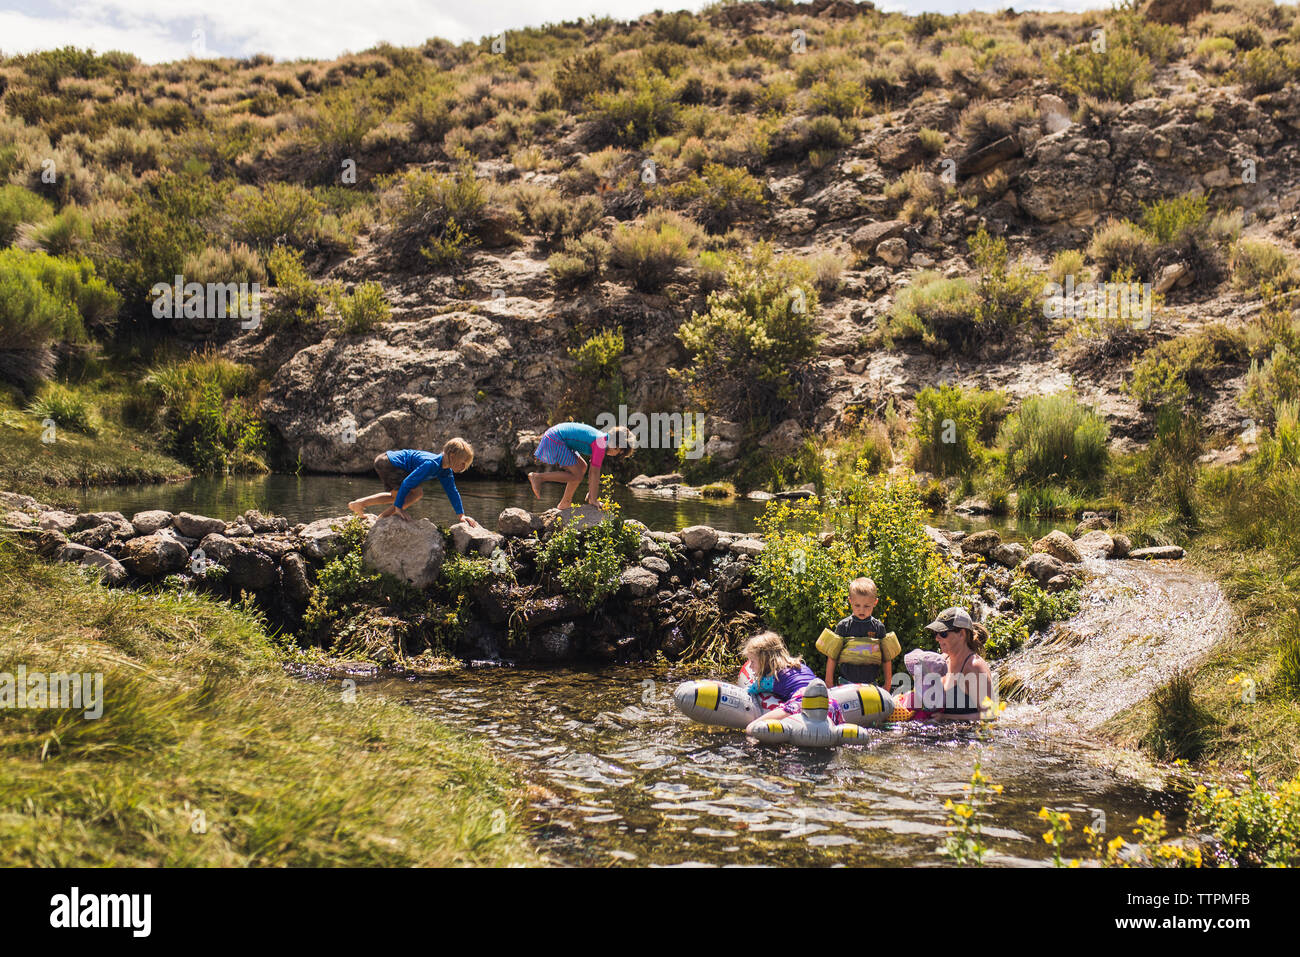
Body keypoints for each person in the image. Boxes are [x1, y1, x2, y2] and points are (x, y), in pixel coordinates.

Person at [347, 438, 479, 526]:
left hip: (386, 460)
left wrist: (461, 515)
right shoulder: (431, 464)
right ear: (452, 456)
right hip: (389, 463)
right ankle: (381, 519)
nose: (463, 468)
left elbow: (452, 491)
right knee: (416, 493)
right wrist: (398, 507)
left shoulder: (445, 471)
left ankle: (359, 504)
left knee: (395, 496)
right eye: (463, 463)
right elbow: (407, 483)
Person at [742, 630, 844, 724]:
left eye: (753, 661)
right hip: (830, 703)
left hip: (803, 703)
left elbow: (751, 689)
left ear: (764, 660)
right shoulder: (801, 666)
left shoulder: (772, 678)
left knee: (754, 727)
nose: (750, 666)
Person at [527, 422, 636, 509]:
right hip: (555, 438)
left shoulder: (602, 439)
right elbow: (594, 472)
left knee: (582, 467)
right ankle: (539, 477)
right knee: (577, 475)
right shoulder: (601, 444)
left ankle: (565, 503)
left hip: (556, 436)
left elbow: (592, 471)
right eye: (620, 452)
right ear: (616, 446)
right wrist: (593, 499)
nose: (617, 454)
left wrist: (592, 494)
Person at [817, 577, 899, 690]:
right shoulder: (843, 626)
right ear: (850, 601)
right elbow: (832, 656)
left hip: (871, 684)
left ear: (875, 602)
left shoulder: (878, 627)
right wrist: (828, 681)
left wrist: (888, 683)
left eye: (867, 606)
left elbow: (886, 658)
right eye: (857, 605)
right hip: (846, 683)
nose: (862, 610)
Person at [924, 606, 996, 721]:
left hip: (968, 737)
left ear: (961, 634)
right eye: (936, 633)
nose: (937, 638)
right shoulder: (942, 660)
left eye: (943, 634)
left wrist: (946, 717)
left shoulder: (974, 667)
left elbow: (990, 715)